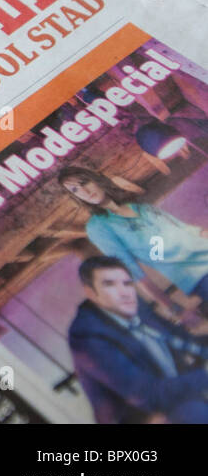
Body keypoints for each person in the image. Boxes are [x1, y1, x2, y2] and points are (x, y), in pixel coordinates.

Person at [68, 256, 208, 423]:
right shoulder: (87, 338)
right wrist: (204, 375)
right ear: (91, 293)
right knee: (194, 412)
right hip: (146, 415)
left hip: (178, 388)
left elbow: (178, 338)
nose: (124, 292)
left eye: (127, 283)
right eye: (109, 284)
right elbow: (147, 396)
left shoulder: (135, 305)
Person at [59, 165, 208, 316]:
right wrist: (176, 309)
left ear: (95, 178)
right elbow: (133, 272)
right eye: (75, 190)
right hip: (199, 277)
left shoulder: (140, 207)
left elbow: (189, 231)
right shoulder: (98, 227)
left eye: (84, 182)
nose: (85, 192)